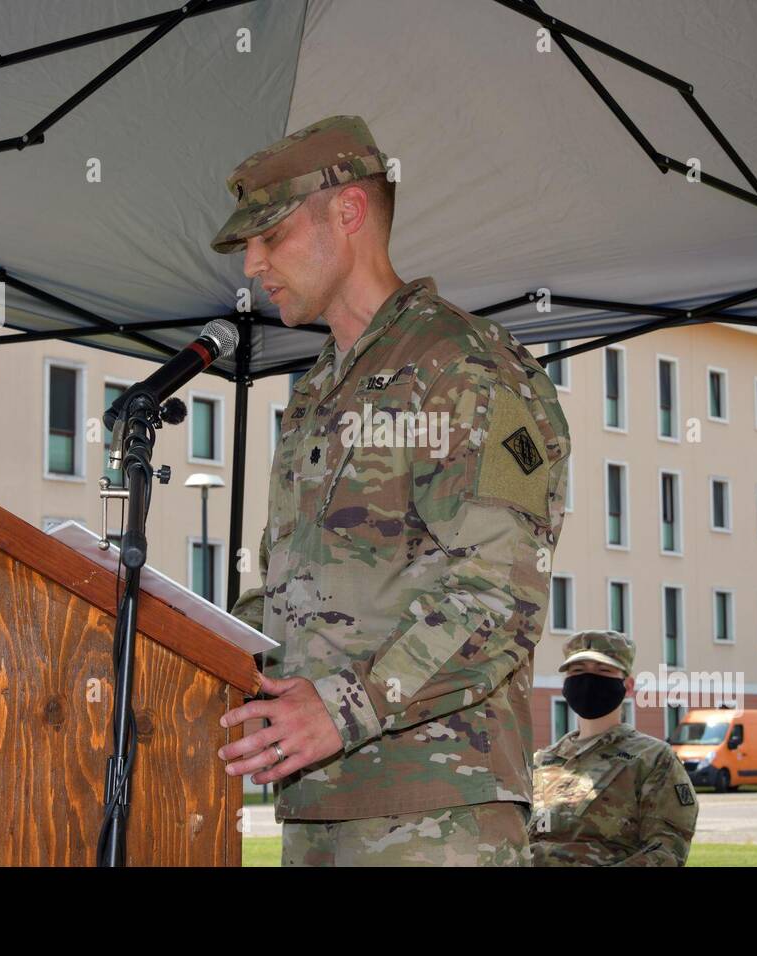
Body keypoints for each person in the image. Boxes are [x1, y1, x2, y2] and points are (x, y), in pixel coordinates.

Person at [209, 115, 571, 866]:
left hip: (436, 816)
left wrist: (346, 707)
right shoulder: (316, 391)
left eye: (268, 235)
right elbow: (285, 591)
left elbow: (501, 598)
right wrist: (210, 653)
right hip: (317, 804)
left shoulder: (463, 367)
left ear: (347, 212)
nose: (252, 264)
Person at [530, 630, 697, 866]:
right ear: (565, 684)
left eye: (603, 671)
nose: (589, 680)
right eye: (578, 671)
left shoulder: (653, 759)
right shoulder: (542, 761)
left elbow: (666, 851)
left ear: (628, 686)